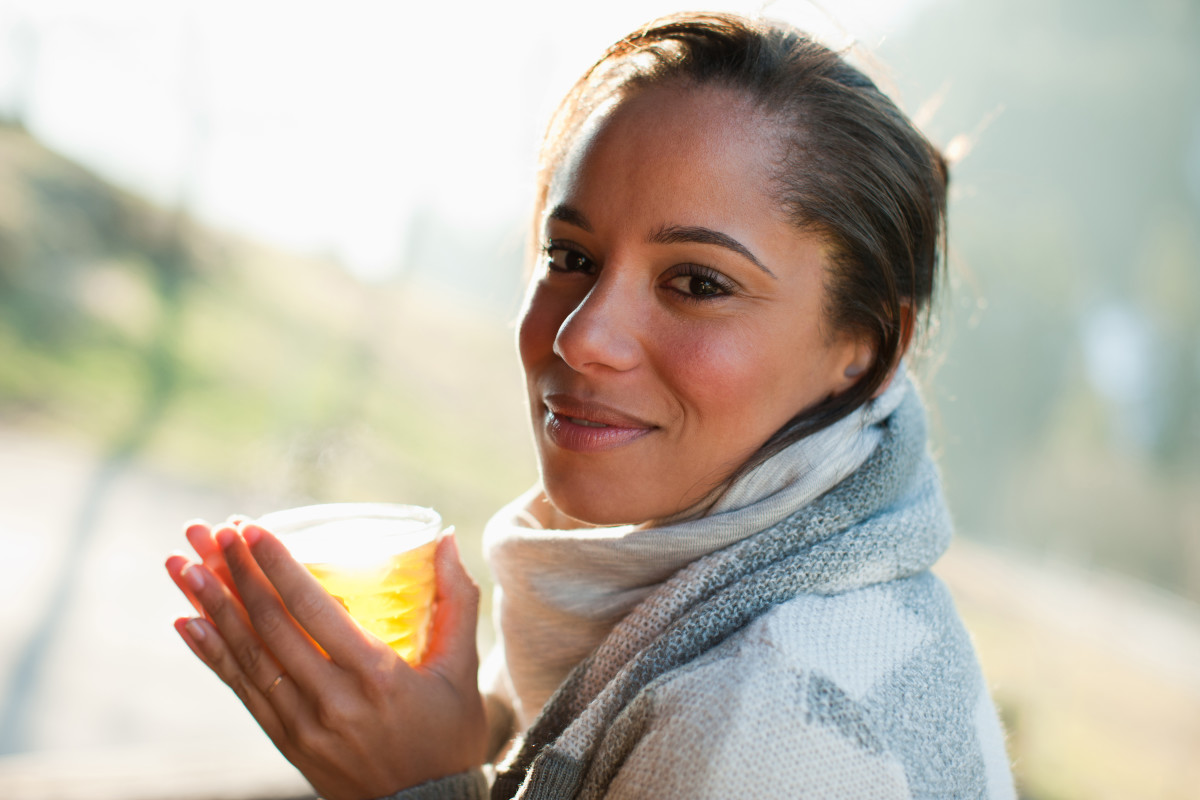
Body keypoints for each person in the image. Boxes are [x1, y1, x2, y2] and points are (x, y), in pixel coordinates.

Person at [165, 11, 1015, 799]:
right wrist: (465, 744)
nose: (582, 338)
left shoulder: (770, 725)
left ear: (866, 348)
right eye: (569, 257)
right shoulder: (661, 596)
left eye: (697, 283)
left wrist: (418, 786)